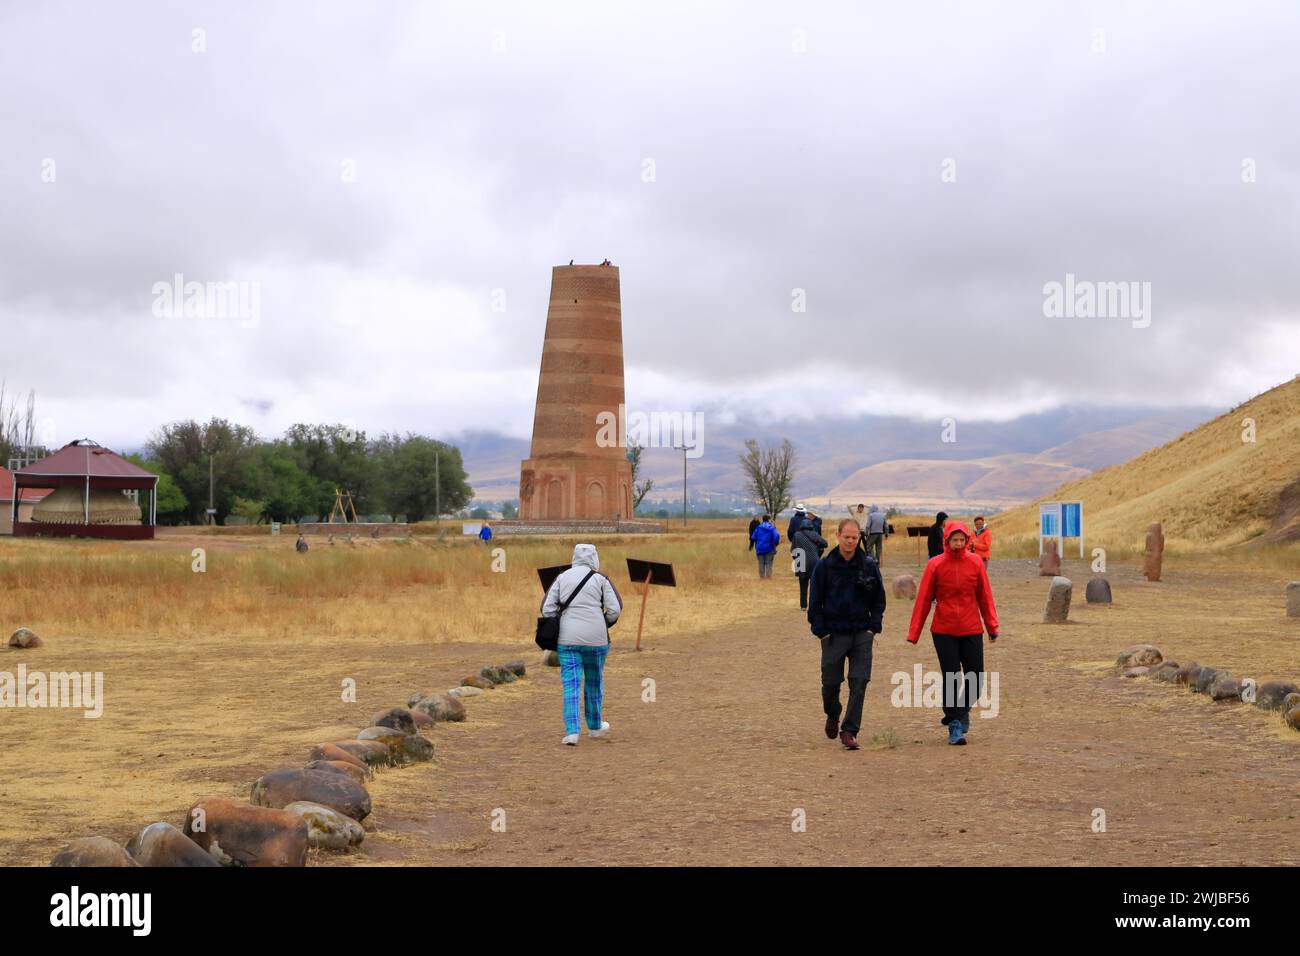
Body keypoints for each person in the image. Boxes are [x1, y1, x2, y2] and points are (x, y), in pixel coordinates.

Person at [906, 522, 999, 746]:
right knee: (952, 677)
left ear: (967, 541)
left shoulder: (976, 563)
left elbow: (984, 596)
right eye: (954, 540)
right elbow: (924, 599)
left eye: (961, 540)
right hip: (943, 629)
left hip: (971, 628)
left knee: (975, 679)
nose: (958, 544)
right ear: (946, 541)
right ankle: (955, 725)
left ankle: (956, 712)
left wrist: (992, 626)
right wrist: (914, 632)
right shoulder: (935, 565)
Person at [807, 518, 886, 750]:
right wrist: (821, 632)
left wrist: (873, 627)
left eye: (854, 537)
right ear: (838, 536)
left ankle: (849, 730)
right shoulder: (824, 567)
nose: (851, 541)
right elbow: (814, 604)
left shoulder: (869, 566)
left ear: (859, 538)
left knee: (859, 681)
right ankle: (833, 713)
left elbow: (879, 600)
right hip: (833, 634)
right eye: (847, 537)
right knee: (831, 683)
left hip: (862, 632)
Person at [540, 544, 623, 746]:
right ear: (595, 558)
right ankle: (595, 727)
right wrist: (602, 623)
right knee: (594, 682)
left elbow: (546, 609)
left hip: (568, 640)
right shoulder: (601, 579)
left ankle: (572, 732)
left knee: (571, 684)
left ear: (574, 558)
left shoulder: (561, 578)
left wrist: (562, 621)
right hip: (597, 639)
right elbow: (615, 609)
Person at [791, 517, 828, 610]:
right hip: (814, 562)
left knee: (803, 585)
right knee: (814, 585)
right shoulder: (814, 534)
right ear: (811, 525)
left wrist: (797, 559)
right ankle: (813, 605)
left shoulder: (796, 535)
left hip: (800, 561)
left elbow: (793, 550)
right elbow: (825, 544)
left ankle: (803, 606)